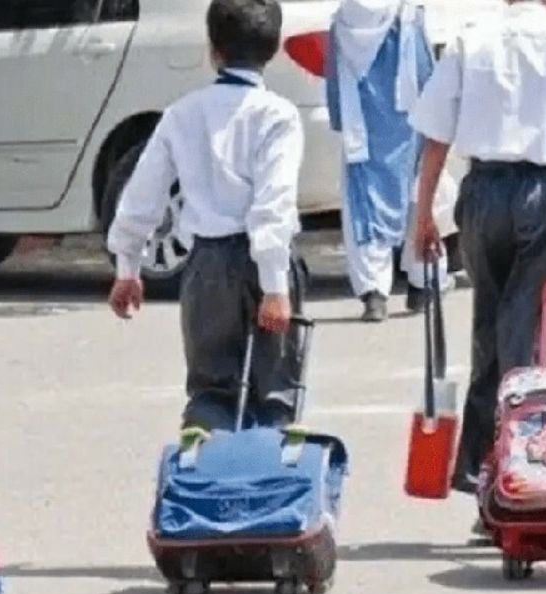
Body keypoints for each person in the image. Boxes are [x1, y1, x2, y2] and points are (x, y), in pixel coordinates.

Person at [409, 0, 546, 507]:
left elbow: (434, 137)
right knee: (532, 343)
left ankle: (481, 469)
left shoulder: (469, 42)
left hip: (482, 194)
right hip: (541, 196)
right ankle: (517, 476)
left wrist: (424, 213)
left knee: (491, 332)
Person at [107, 0, 307, 431]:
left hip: (206, 265)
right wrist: (275, 286)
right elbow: (272, 203)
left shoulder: (181, 114)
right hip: (262, 264)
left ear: (213, 51)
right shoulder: (278, 116)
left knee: (210, 391)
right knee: (274, 394)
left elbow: (141, 197)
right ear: (273, 51)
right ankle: (268, 464)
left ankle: (203, 457)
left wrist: (128, 267)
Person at [325, 0, 445, 322]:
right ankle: (421, 284)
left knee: (364, 207)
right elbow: (425, 71)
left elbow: (334, 78)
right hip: (409, 128)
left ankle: (374, 294)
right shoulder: (407, 15)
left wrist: (339, 119)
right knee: (419, 200)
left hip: (362, 129)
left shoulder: (342, 22)